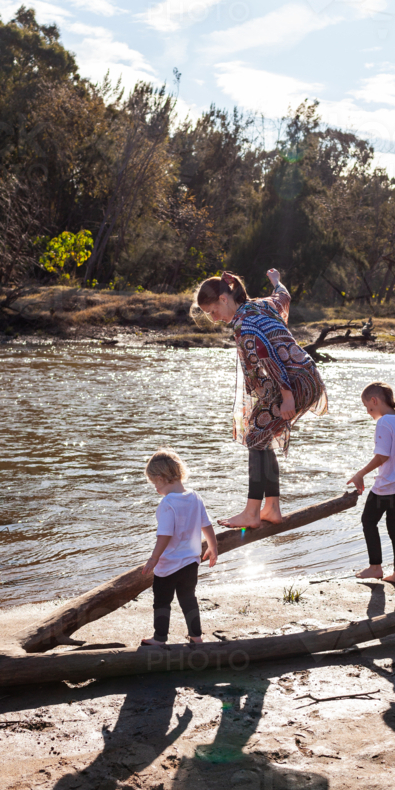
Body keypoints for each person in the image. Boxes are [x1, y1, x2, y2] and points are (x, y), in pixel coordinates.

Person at [194, 268, 327, 528]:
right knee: (262, 437)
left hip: (292, 383)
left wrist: (287, 398)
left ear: (223, 298)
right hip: (304, 376)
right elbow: (283, 296)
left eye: (212, 311)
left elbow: (271, 358)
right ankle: (272, 508)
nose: (213, 319)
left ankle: (252, 513)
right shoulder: (260, 305)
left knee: (255, 437)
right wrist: (276, 281)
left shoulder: (246, 325)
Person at [141, 448, 218, 646]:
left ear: (160, 478)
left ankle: (159, 638)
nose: (155, 488)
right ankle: (196, 636)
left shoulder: (168, 503)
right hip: (191, 562)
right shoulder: (194, 497)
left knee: (162, 601)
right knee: (188, 599)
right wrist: (213, 547)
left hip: (168, 565)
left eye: (154, 483)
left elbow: (164, 536)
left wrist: (153, 559)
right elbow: (206, 525)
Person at [347, 381, 395, 586]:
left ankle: (375, 567)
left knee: (368, 521)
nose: (369, 412)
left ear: (375, 400)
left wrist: (360, 473)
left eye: (368, 408)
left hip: (385, 487)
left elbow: (382, 456)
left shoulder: (384, 422)